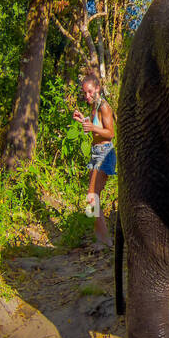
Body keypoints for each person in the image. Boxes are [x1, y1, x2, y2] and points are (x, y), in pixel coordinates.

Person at [74, 73, 116, 247]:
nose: (87, 96)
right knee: (92, 197)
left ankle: (104, 240)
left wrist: (92, 126)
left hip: (104, 153)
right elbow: (95, 128)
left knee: (92, 197)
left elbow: (110, 133)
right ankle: (101, 238)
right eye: (85, 93)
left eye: (90, 92)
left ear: (98, 88)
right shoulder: (94, 107)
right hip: (95, 152)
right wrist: (83, 120)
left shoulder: (104, 106)